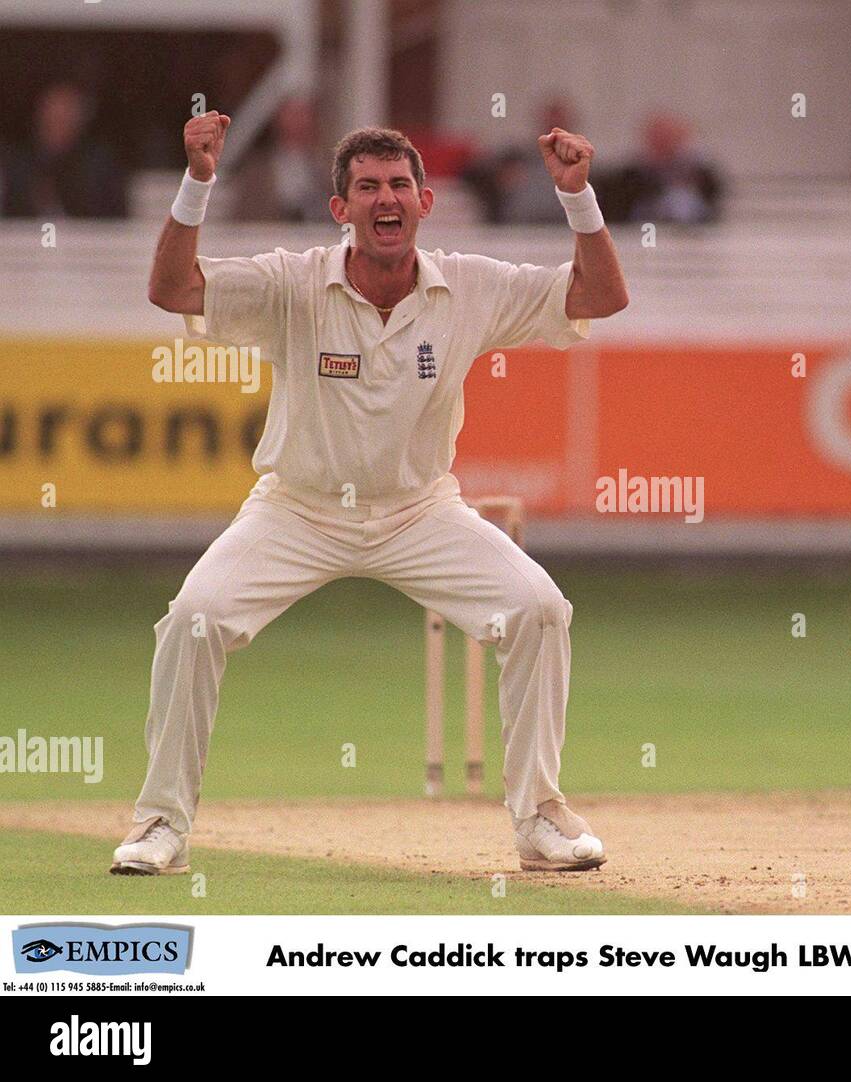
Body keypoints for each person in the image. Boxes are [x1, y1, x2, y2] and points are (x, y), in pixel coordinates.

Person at [111, 113, 627, 875]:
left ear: (424, 202)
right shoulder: (293, 281)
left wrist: (578, 198)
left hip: (420, 510)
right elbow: (171, 287)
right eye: (366, 188)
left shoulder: (470, 284)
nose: (385, 200)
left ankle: (540, 821)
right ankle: (160, 824)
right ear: (340, 209)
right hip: (299, 508)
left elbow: (601, 298)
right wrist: (198, 180)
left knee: (539, 609)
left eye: (398, 186)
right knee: (192, 620)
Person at [2, 83, 127, 218]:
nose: (59, 120)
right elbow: (11, 216)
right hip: (28, 237)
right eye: (53, 114)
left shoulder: (99, 165)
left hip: (86, 236)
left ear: (80, 119)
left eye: (66, 114)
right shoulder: (20, 163)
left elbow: (115, 217)